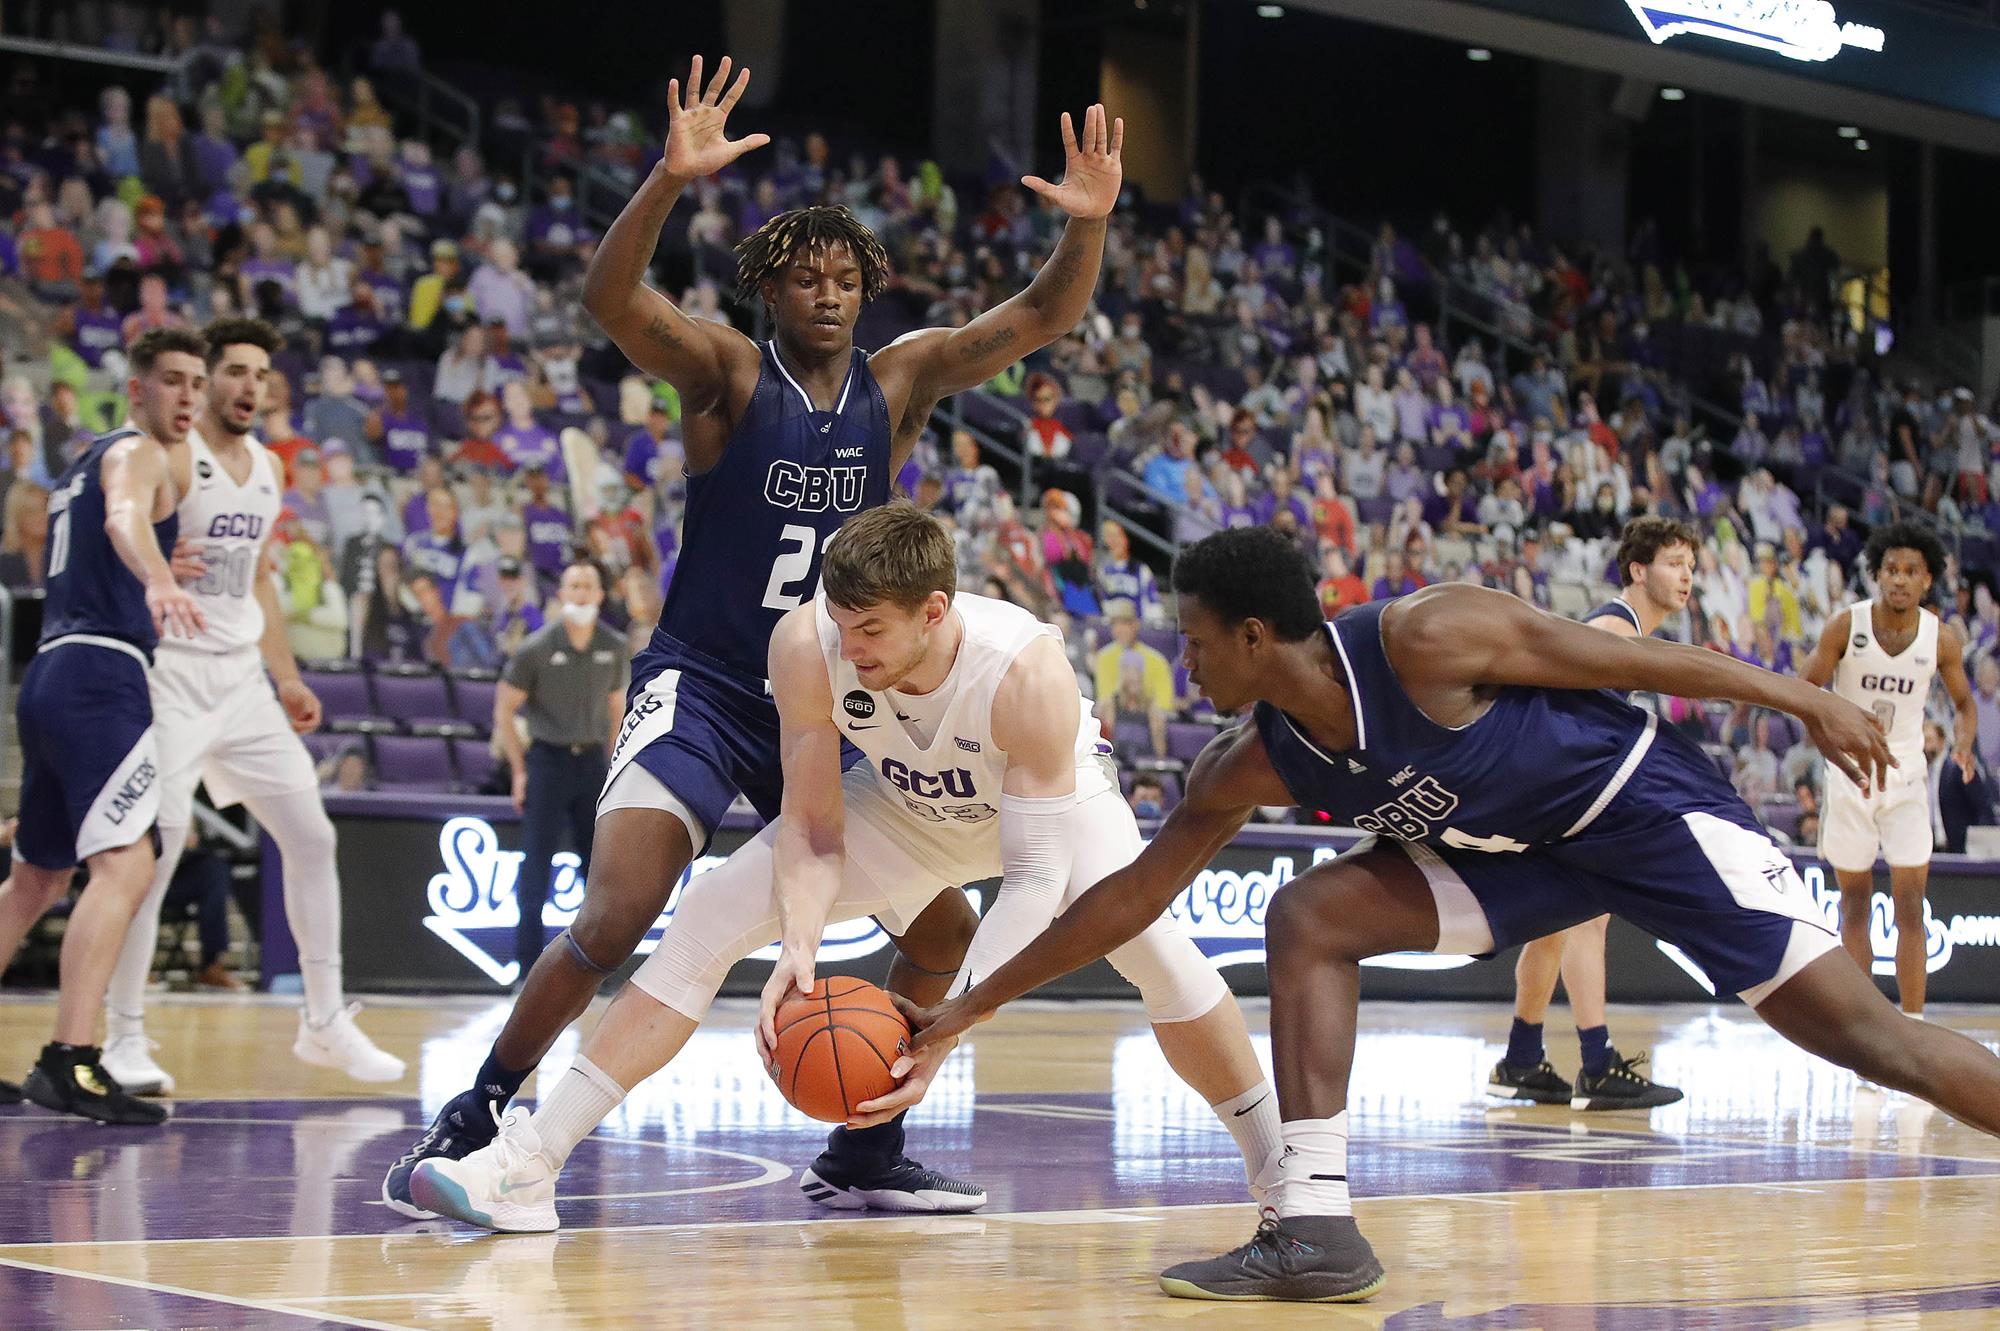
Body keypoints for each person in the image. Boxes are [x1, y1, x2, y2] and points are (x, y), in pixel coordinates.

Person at [382, 57, 1126, 1217]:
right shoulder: (728, 374)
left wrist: (1082, 226)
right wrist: (669, 181)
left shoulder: (902, 377)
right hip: (708, 682)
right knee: (618, 911)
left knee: (943, 923)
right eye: (804, 275)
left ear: (868, 286)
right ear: (768, 289)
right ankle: (481, 1106)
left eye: (844, 275)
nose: (827, 291)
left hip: (835, 698)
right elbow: (611, 303)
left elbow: (1042, 315)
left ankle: (865, 1147)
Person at [906, 526, 2000, 1303]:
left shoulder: (1424, 637)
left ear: (1251, 634)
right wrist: (972, 1000)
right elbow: (1133, 894)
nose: (1179, 662)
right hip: (1524, 858)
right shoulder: (1248, 760)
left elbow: (1633, 658)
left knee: (1868, 1040)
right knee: (1309, 915)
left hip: (1644, 814)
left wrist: (1801, 695)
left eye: (1191, 640)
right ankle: (1316, 1225)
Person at [407, 505, 1277, 1233]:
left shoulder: (1025, 670)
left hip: (1049, 817)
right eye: (842, 622)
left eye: (873, 630)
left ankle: (1287, 1177)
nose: (851, 646)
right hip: (907, 805)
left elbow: (1035, 879)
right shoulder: (806, 644)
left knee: (1154, 951)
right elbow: (814, 825)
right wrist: (800, 941)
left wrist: (949, 1026)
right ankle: (527, 1164)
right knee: (710, 912)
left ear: (934, 611)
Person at [99, 318, 404, 1095]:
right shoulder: (167, 455)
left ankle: (325, 1020)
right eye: (231, 371)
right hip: (170, 673)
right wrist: (155, 563)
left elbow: (259, 576)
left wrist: (287, 675)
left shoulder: (268, 466)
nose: (246, 386)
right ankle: (122, 1034)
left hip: (241, 679)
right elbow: (122, 521)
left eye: (258, 373)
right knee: (155, 854)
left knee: (311, 835)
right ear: (202, 382)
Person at [0, 329, 207, 1123]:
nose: (187, 397)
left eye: (196, 383)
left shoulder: (80, 464)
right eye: (173, 382)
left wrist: (156, 557)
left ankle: (69, 1054)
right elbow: (125, 518)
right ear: (137, 390)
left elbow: (109, 530)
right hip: (100, 678)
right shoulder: (138, 454)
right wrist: (156, 576)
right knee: (126, 863)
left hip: (49, 671)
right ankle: (72, 1058)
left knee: (35, 879)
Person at [1488, 516, 1691, 1110]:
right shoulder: (1612, 627)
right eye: (1675, 563)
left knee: (1553, 927)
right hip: (1548, 789)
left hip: (1541, 789)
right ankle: (1597, 1064)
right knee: (1587, 919)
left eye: (1691, 566)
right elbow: (1557, 719)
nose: (1687, 576)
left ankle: (1521, 1060)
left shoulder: (1625, 633)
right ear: (1638, 569)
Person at [1799, 521, 1977, 1020]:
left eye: (1911, 572)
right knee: (1854, 903)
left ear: (1927, 580)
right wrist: (1828, 742)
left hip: (1905, 779)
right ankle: (1864, 1030)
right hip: (1851, 776)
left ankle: (1913, 1026)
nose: (1899, 579)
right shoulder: (1845, 626)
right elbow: (1803, 690)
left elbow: (1965, 706)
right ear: (1877, 574)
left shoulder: (1940, 639)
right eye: (1891, 570)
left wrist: (1962, 746)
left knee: (1911, 905)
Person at [494, 559, 630, 976]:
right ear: (561, 594)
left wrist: (614, 764)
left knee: (599, 874)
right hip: (548, 762)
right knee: (536, 866)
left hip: (591, 763)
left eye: (589, 585)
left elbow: (617, 709)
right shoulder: (536, 647)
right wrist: (519, 771)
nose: (582, 593)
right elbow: (504, 709)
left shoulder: (614, 645)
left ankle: (595, 970)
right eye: (574, 586)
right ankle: (526, 968)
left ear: (601, 595)